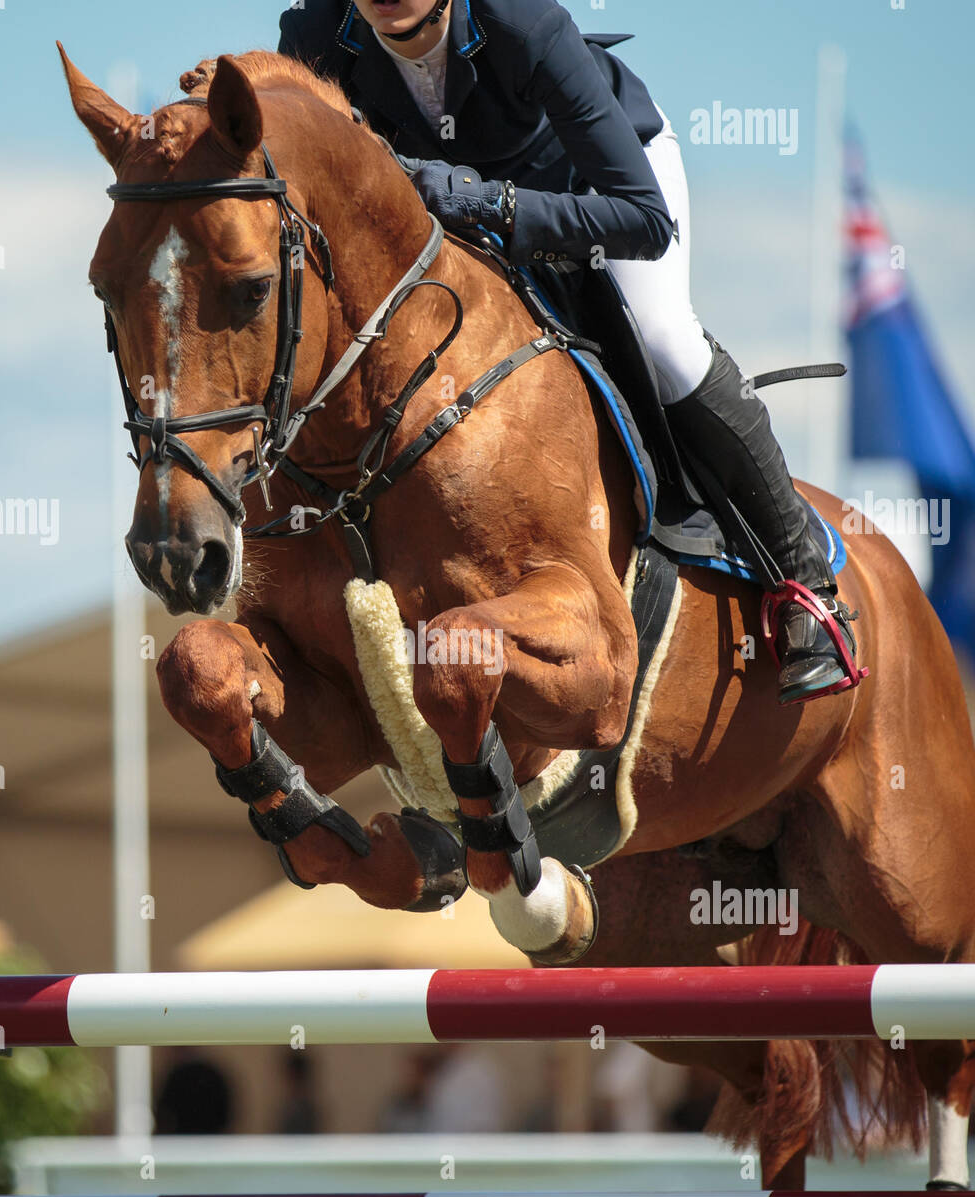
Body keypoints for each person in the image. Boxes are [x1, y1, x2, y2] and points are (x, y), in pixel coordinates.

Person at [278, 0, 860, 703]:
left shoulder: (523, 24)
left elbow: (643, 220)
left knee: (664, 339)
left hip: (598, 190)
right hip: (450, 222)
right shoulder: (314, 37)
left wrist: (480, 199)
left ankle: (804, 584)